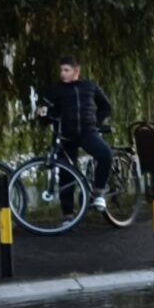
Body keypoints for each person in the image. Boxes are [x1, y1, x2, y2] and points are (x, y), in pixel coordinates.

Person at [36, 57, 116, 210]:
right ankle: (68, 215)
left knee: (105, 154)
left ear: (76, 71)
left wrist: (95, 122)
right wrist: (43, 115)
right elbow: (45, 112)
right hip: (65, 135)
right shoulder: (55, 90)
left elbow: (106, 107)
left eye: (66, 70)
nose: (62, 74)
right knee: (66, 175)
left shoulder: (90, 87)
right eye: (61, 70)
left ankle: (98, 192)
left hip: (87, 132)